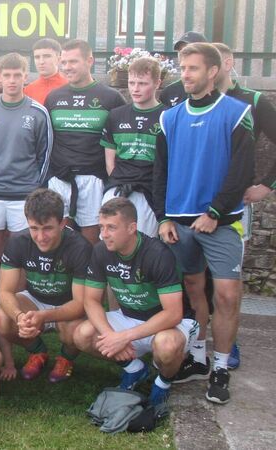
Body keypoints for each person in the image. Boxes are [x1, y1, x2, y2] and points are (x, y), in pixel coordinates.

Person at [154, 43, 254, 404]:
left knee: (226, 294)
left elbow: (242, 171)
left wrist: (214, 212)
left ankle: (222, 367)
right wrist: (163, 216)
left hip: (220, 222)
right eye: (182, 68)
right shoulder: (169, 117)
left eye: (193, 68)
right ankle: (196, 358)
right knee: (193, 291)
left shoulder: (237, 113)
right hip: (179, 223)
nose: (185, 74)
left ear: (212, 72)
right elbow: (160, 171)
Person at [74, 198, 198, 409]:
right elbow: (91, 301)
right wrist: (110, 337)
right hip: (130, 316)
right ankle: (135, 370)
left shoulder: (158, 254)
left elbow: (173, 313)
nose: (104, 234)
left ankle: (163, 382)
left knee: (166, 346)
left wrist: (123, 337)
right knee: (82, 334)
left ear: (132, 228)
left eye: (111, 228)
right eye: (101, 227)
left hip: (171, 323)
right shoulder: (101, 251)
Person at [212, 42, 276, 369]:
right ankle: (194, 340)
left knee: (229, 279)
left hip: (235, 206)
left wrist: (266, 185)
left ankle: (228, 343)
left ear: (226, 62)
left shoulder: (252, 99)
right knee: (193, 278)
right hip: (195, 203)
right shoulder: (187, 98)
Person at [0, 188, 91, 383]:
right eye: (34, 228)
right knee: (0, 318)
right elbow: (4, 291)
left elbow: (81, 303)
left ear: (62, 223)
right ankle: (38, 351)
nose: (40, 236)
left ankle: (66, 357)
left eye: (47, 228)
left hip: (68, 304)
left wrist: (44, 317)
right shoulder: (18, 241)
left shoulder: (80, 247)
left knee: (75, 332)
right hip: (35, 299)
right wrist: (20, 317)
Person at [0, 52, 52, 266]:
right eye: (7, 75)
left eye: (17, 75)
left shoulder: (38, 113)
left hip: (24, 195)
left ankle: (16, 298)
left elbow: (45, 155)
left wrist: (34, 186)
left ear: (26, 76)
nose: (12, 80)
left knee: (21, 253)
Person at [45, 39, 126, 245]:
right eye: (63, 62)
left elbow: (120, 142)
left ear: (90, 60)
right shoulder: (53, 97)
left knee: (90, 242)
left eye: (73, 62)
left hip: (93, 180)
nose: (67, 67)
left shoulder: (111, 97)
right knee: (57, 241)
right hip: (60, 179)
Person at [100, 57, 165, 238]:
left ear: (157, 83)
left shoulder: (168, 117)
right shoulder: (116, 115)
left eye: (142, 83)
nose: (135, 89)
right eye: (132, 82)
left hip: (149, 193)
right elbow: (110, 163)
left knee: (142, 244)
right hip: (118, 190)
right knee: (109, 241)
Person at [160, 31, 208, 108]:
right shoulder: (169, 92)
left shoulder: (216, 90)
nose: (183, 54)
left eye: (188, 50)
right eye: (180, 50)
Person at [24, 38, 68, 105]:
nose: (41, 62)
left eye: (47, 56)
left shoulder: (70, 87)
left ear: (58, 59)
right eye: (37, 57)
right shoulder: (28, 90)